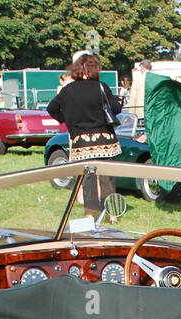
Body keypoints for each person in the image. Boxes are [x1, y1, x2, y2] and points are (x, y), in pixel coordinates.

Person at [47, 53, 122, 216]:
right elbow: (117, 109)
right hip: (105, 141)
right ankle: (112, 215)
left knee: (88, 179)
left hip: (82, 144)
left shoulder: (68, 90)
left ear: (77, 70)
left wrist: (68, 122)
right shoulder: (101, 87)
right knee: (107, 178)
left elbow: (51, 108)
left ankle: (90, 213)